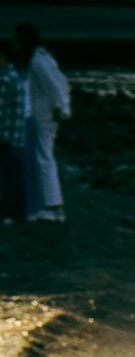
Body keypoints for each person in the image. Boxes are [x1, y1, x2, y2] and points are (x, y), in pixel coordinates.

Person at [1, 17, 60, 229]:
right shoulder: (36, 61)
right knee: (34, 163)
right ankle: (43, 207)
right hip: (30, 121)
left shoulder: (35, 62)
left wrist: (62, 107)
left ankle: (46, 207)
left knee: (39, 161)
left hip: (30, 122)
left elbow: (53, 86)